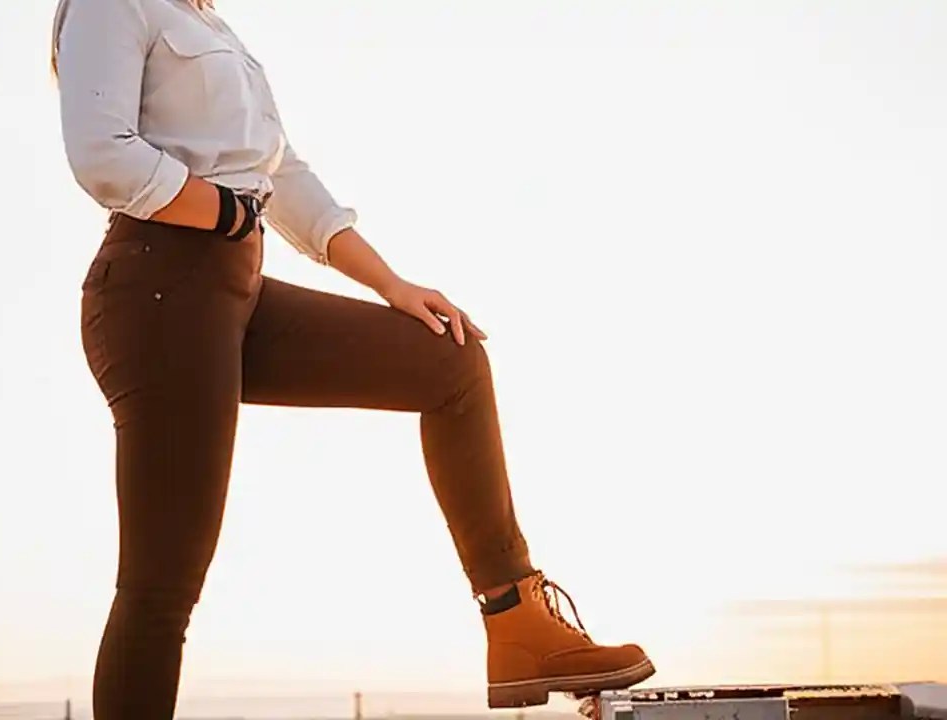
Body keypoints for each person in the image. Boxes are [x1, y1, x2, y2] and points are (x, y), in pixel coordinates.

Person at [50, 0, 655, 716]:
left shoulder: (211, 24)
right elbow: (101, 153)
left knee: (450, 363)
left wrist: (390, 283)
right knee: (162, 582)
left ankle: (517, 622)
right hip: (155, 295)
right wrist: (226, 213)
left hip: (233, 289)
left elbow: (285, 176)